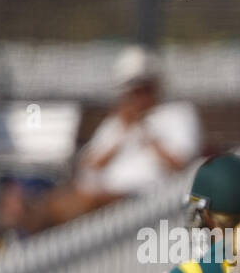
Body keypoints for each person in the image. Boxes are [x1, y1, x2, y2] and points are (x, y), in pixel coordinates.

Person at [37, 46, 201, 228]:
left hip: (145, 196)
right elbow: (90, 164)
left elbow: (180, 165)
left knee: (79, 204)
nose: (137, 97)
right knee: (50, 203)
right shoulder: (117, 123)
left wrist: (146, 133)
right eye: (132, 91)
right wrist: (123, 133)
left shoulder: (177, 114)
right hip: (98, 192)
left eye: (143, 88)